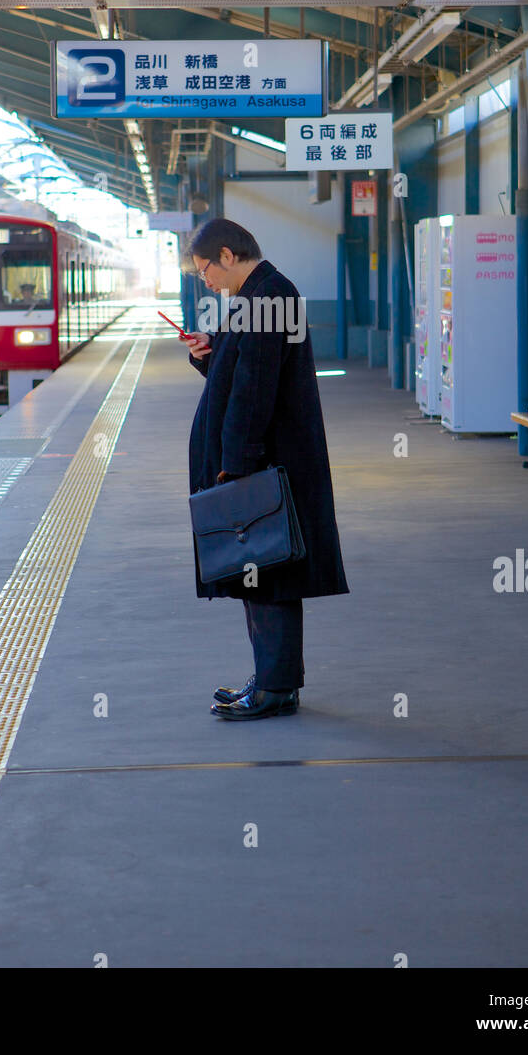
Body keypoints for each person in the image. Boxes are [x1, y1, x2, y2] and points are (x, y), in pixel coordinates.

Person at [183, 217, 349, 721]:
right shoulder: (260, 297)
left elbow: (255, 392)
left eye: (205, 270)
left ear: (228, 255)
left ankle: (276, 689)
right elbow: (244, 374)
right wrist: (209, 357)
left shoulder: (266, 299)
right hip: (267, 457)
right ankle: (272, 679)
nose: (205, 280)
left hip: (266, 462)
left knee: (267, 572)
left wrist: (238, 466)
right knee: (261, 571)